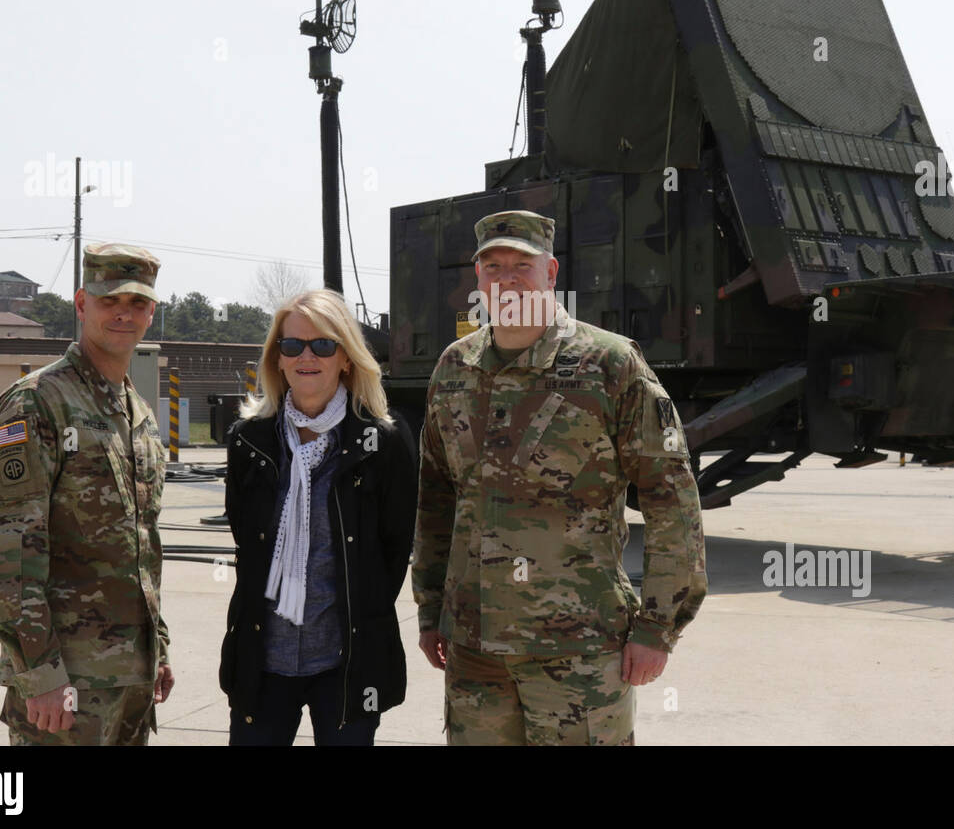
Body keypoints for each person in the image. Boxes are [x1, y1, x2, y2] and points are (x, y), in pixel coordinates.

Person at [413, 209, 708, 746]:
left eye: (520, 264)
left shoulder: (609, 365)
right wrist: (430, 609)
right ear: (477, 278)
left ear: (550, 272)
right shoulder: (455, 369)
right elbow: (435, 498)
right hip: (475, 648)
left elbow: (673, 502)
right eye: (492, 266)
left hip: (580, 650)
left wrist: (658, 628)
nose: (506, 278)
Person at [0, 243, 174, 746]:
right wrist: (38, 673)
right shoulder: (38, 402)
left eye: (137, 303)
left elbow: (142, 545)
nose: (123, 314)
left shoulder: (141, 416)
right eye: (110, 301)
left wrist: (158, 649)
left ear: (152, 311)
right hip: (64, 684)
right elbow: (8, 552)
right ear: (83, 304)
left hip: (129, 678)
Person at [221, 289, 417, 745]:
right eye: (292, 346)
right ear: (278, 359)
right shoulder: (248, 442)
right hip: (262, 662)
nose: (307, 356)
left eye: (323, 345)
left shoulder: (383, 442)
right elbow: (246, 543)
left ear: (346, 357)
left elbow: (393, 551)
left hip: (346, 664)